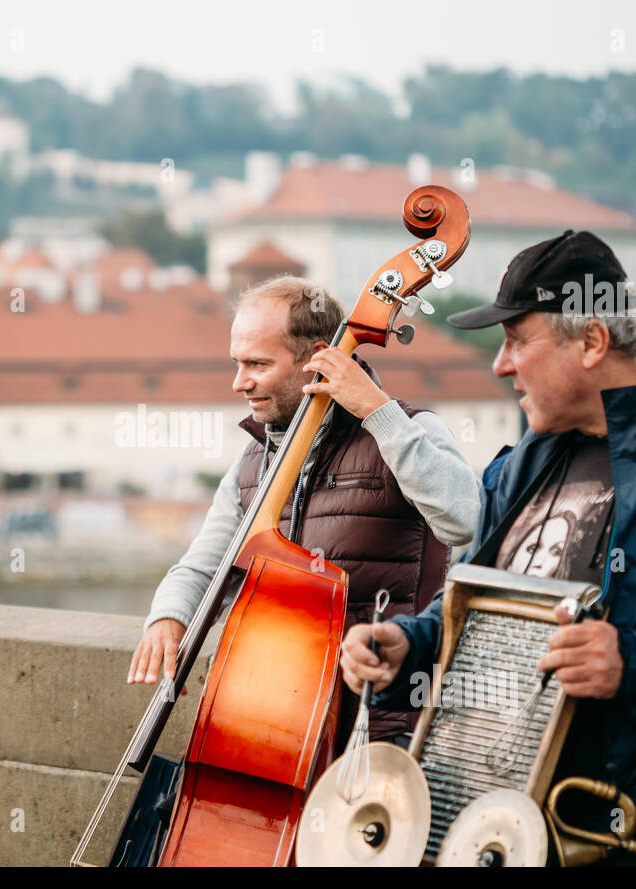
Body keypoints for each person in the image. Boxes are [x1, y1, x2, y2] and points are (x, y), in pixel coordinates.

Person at [340, 230, 636, 864]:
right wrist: (413, 646)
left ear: (592, 341)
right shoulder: (527, 460)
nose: (500, 364)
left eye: (516, 341)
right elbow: (481, 607)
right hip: (500, 836)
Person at [128, 274, 480, 747]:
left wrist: (377, 412)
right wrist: (169, 618)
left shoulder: (410, 430)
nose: (239, 382)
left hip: (387, 726)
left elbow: (468, 520)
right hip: (282, 721)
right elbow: (203, 568)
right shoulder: (253, 461)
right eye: (237, 363)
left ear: (316, 359)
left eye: (256, 364)